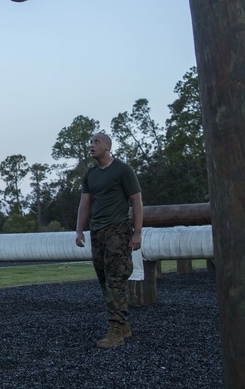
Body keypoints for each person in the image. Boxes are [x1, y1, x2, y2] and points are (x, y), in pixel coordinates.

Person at [75, 132, 143, 348]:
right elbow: (84, 204)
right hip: (98, 232)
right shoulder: (90, 175)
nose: (92, 145)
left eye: (96, 142)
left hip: (118, 230)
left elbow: (136, 200)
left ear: (108, 146)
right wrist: (79, 231)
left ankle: (115, 330)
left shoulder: (122, 170)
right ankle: (122, 324)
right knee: (104, 278)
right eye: (91, 142)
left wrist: (137, 232)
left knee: (116, 278)